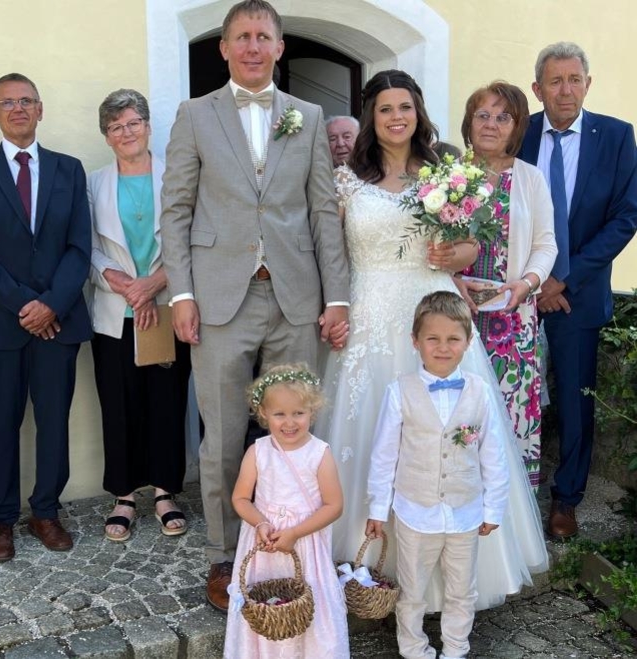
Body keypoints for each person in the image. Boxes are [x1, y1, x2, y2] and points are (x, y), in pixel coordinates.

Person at [316, 69, 548, 611]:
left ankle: (452, 580)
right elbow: (331, 254)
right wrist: (335, 307)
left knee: (449, 431)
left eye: (406, 107)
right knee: (374, 430)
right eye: (385, 109)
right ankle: (369, 566)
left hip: (436, 309)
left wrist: (455, 256)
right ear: (372, 118)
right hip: (371, 313)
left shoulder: (446, 169)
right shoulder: (347, 178)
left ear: (418, 112)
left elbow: (470, 247)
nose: (397, 117)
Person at [159, 0, 350, 612]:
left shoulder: (309, 116)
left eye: (262, 36)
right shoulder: (194, 115)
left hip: (295, 297)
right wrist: (181, 294)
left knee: (295, 431)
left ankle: (294, 545)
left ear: (278, 46)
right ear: (223, 48)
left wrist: (337, 295)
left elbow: (323, 211)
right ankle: (223, 551)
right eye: (240, 36)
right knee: (219, 434)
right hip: (218, 300)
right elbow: (177, 210)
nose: (251, 45)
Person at [0, 73, 92, 562]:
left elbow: (80, 246)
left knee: (54, 420)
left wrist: (51, 303)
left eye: (26, 101)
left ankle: (46, 511)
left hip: (59, 319)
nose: (17, 109)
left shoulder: (69, 170)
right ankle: (0, 520)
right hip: (1, 320)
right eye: (7, 102)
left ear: (41, 109)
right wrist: (24, 305)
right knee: (2, 420)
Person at [519, 42, 637, 540]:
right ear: (537, 88)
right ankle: (513, 495)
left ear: (588, 83)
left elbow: (624, 217)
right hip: (517, 292)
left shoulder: (615, 136)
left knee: (573, 401)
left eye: (574, 79)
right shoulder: (516, 131)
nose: (565, 90)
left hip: (577, 295)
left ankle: (566, 500)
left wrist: (562, 279)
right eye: (554, 81)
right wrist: (534, 281)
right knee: (514, 397)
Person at [367, 291, 510, 659]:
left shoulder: (479, 392)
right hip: (416, 511)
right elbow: (384, 455)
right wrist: (378, 508)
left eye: (453, 339)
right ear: (416, 342)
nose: (443, 347)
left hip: (465, 513)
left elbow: (493, 454)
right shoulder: (400, 392)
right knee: (412, 590)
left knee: (462, 590)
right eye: (433, 338)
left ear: (468, 341)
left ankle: (456, 649)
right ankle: (413, 647)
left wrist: (493, 509)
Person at [87, 89, 191, 541]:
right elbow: (84, 244)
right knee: (119, 403)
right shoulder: (92, 184)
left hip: (167, 305)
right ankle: (125, 495)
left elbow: (192, 241)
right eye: (115, 127)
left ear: (149, 127)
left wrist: (154, 284)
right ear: (106, 136)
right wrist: (118, 281)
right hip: (115, 308)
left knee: (166, 401)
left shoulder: (178, 179)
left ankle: (167, 491)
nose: (125, 132)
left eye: (133, 123)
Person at [455, 81, 557, 492]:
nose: (492, 125)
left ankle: (506, 519)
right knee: (459, 411)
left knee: (508, 412)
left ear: (517, 127)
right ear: (469, 122)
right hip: (457, 316)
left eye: (503, 117)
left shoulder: (531, 179)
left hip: (513, 319)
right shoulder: (449, 175)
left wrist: (528, 284)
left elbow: (546, 244)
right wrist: (451, 280)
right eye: (483, 115)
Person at [225, 364, 349, 658]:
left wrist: (295, 532)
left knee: (308, 606)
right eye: (280, 414)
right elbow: (241, 498)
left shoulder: (320, 453)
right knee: (265, 607)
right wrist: (260, 524)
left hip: (305, 542)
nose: (290, 422)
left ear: (312, 412)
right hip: (264, 543)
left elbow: (334, 505)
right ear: (264, 415)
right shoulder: (258, 451)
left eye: (299, 413)